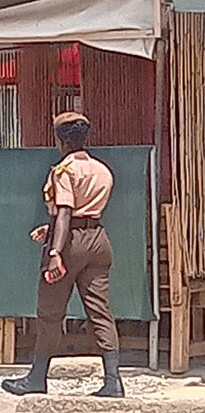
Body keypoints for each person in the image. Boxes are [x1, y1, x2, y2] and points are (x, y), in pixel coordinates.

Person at [1, 111, 125, 398]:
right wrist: (52, 228)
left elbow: (66, 212)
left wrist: (55, 250)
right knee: (100, 311)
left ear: (61, 141)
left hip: (70, 244)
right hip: (98, 240)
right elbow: (85, 213)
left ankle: (37, 378)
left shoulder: (64, 171)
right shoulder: (102, 170)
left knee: (50, 312)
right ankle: (113, 380)